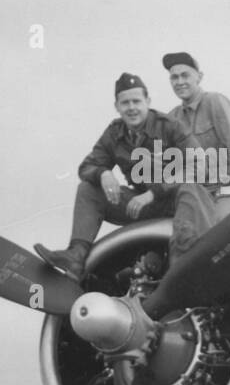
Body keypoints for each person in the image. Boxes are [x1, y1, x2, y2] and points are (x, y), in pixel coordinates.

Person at [34, 73, 204, 284]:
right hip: (144, 206)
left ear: (148, 102)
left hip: (179, 203)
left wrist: (154, 193)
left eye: (136, 101)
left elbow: (199, 164)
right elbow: (87, 166)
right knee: (88, 188)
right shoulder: (114, 133)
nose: (131, 107)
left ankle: (183, 270)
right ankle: (76, 256)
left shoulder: (170, 126)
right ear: (117, 106)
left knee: (191, 191)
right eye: (125, 103)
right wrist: (103, 173)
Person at [162, 50, 230, 218]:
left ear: (199, 77)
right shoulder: (172, 118)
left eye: (185, 76)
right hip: (199, 196)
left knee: (214, 232)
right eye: (174, 77)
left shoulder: (214, 102)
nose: (179, 82)